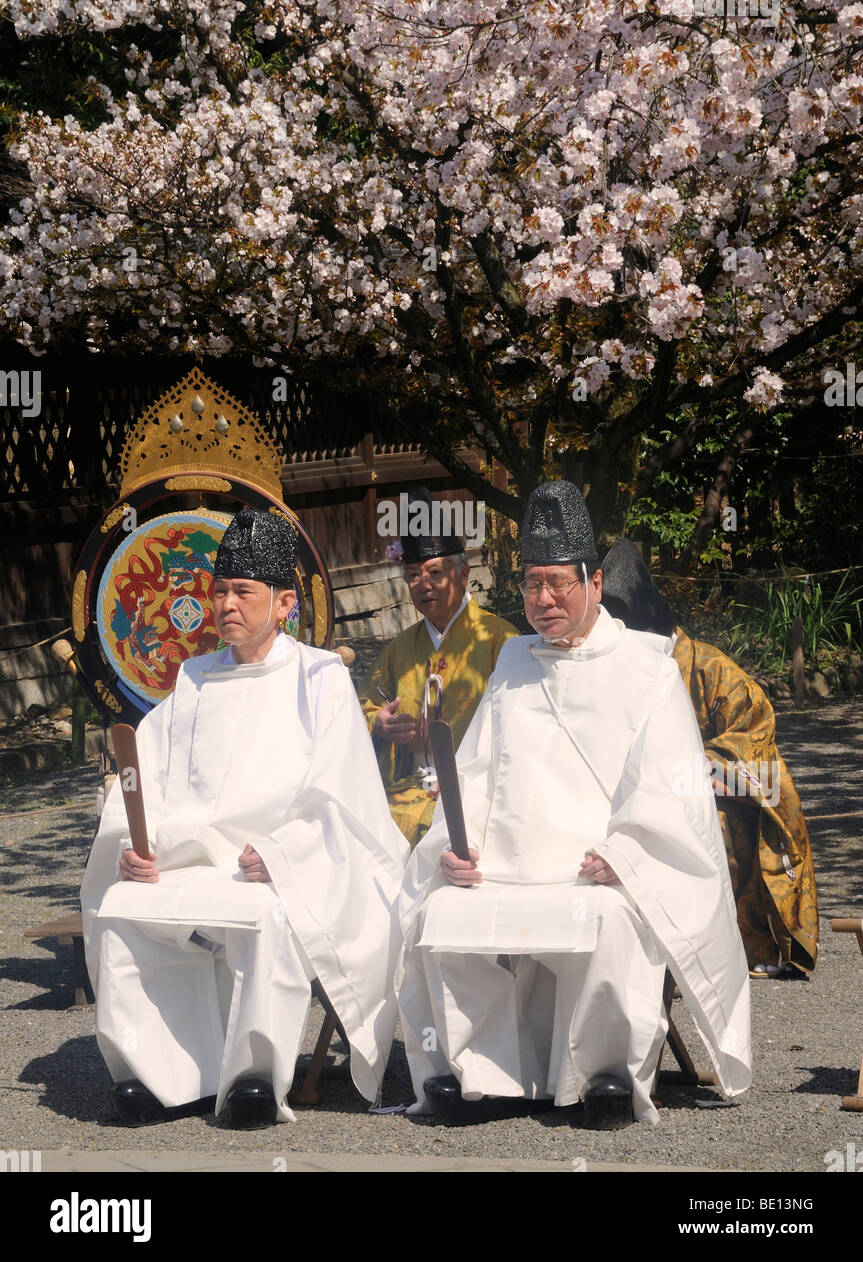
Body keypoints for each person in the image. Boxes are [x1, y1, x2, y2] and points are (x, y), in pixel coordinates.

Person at [396, 481, 751, 1128]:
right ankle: (485, 1076)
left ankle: (606, 1076)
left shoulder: (647, 667)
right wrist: (458, 844)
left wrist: (625, 856)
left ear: (592, 583)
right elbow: (476, 769)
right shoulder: (511, 662)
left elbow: (671, 786)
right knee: (440, 910)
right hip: (507, 865)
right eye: (532, 585)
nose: (543, 599)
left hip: (599, 865)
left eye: (558, 583)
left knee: (614, 915)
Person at [81, 507, 408, 1129]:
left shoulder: (320, 677)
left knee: (264, 912)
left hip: (272, 862)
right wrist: (136, 843)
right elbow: (143, 774)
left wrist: (283, 852)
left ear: (284, 603)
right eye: (221, 591)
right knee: (125, 908)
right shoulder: (194, 678)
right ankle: (151, 1077)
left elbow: (339, 793)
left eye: (244, 592)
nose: (227, 605)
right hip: (192, 859)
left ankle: (253, 1078)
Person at [601, 538, 818, 978]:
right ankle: (645, 955)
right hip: (649, 787)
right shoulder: (619, 671)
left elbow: (756, 735)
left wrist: (693, 770)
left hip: (729, 791)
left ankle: (743, 945)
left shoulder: (712, 669)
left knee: (705, 820)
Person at [360, 486, 519, 847]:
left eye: (435, 572)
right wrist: (378, 723)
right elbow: (364, 706)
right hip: (405, 795)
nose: (424, 584)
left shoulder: (499, 640)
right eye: (413, 575)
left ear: (463, 576)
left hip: (477, 795)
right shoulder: (399, 650)